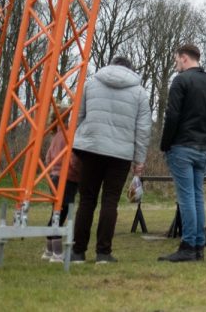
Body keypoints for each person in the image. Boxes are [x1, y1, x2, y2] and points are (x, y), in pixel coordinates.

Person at [69, 56, 152, 264]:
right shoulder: (140, 93)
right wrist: (139, 160)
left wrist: (74, 147)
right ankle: (103, 253)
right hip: (120, 153)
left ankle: (78, 252)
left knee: (86, 200)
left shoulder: (90, 84)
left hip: (90, 147)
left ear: (111, 65)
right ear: (131, 70)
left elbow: (78, 116)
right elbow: (143, 129)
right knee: (110, 200)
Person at [158, 43, 206, 263]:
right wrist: (205, 139)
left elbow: (172, 115)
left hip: (181, 146)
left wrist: (165, 144)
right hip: (201, 148)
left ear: (184, 58)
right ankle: (197, 247)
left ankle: (188, 246)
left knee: (186, 198)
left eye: (177, 60)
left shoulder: (181, 80)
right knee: (197, 197)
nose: (176, 64)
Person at [41, 115, 81, 262]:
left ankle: (49, 250)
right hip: (68, 178)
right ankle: (57, 253)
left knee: (56, 213)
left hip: (54, 177)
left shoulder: (57, 135)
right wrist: (79, 172)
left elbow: (48, 157)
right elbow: (73, 158)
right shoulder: (69, 134)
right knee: (60, 215)